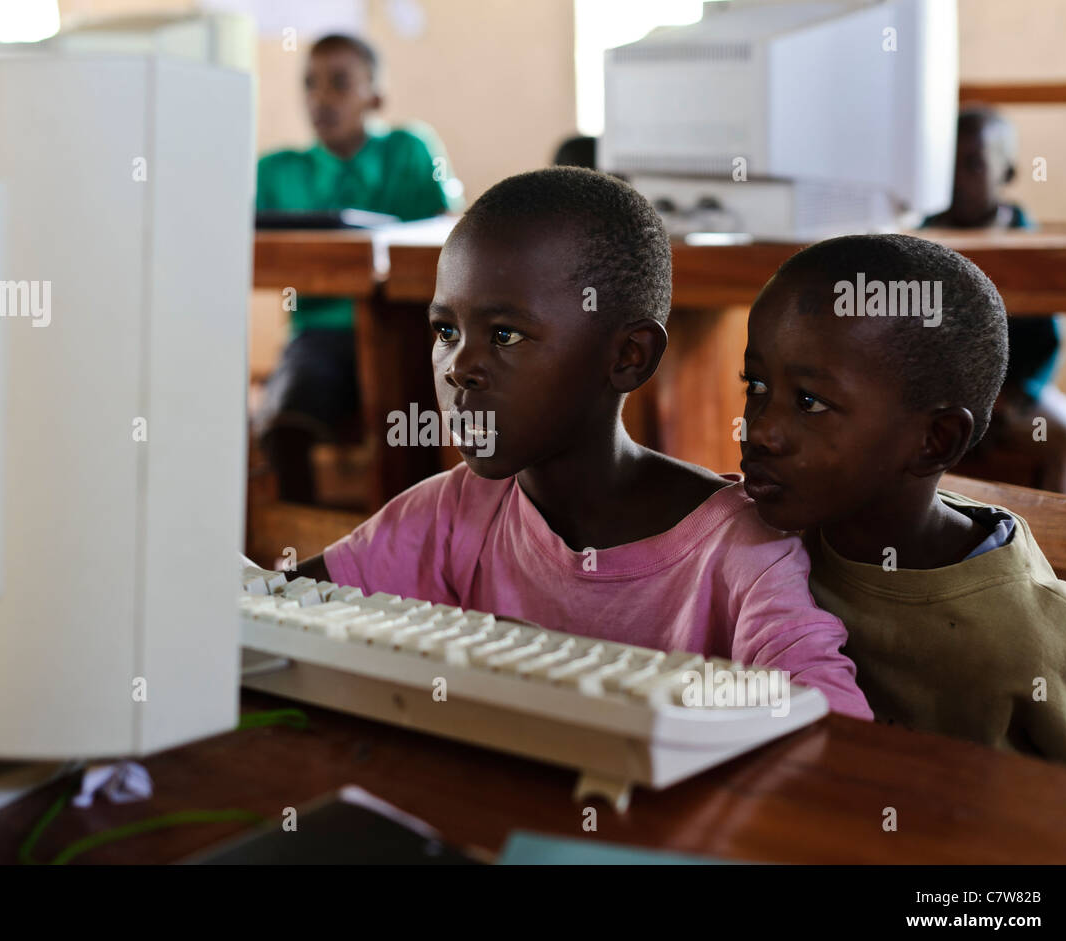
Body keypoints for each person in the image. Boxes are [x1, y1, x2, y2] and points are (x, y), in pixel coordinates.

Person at [280, 167, 872, 719]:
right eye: (446, 331)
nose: (459, 368)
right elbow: (279, 613)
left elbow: (831, 729)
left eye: (505, 334)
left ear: (627, 357)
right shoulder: (451, 513)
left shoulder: (742, 555)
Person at [739, 233, 1066, 767]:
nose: (760, 430)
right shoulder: (744, 545)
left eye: (810, 402)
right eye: (756, 385)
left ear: (935, 441)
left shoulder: (1034, 640)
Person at [256, 34, 460, 502]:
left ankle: (419, 537)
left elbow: (449, 240)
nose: (320, 98)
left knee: (423, 428)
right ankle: (305, 560)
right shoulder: (277, 171)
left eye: (339, 83)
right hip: (320, 335)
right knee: (287, 423)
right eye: (310, 84)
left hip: (412, 329)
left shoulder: (410, 150)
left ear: (376, 95)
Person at [923, 105, 1066, 494]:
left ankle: (1049, 544)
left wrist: (1012, 400)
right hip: (933, 392)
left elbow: (1045, 341)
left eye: (973, 165)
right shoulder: (920, 236)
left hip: (1012, 396)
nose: (956, 179)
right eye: (947, 164)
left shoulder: (1027, 244)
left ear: (1007, 173)